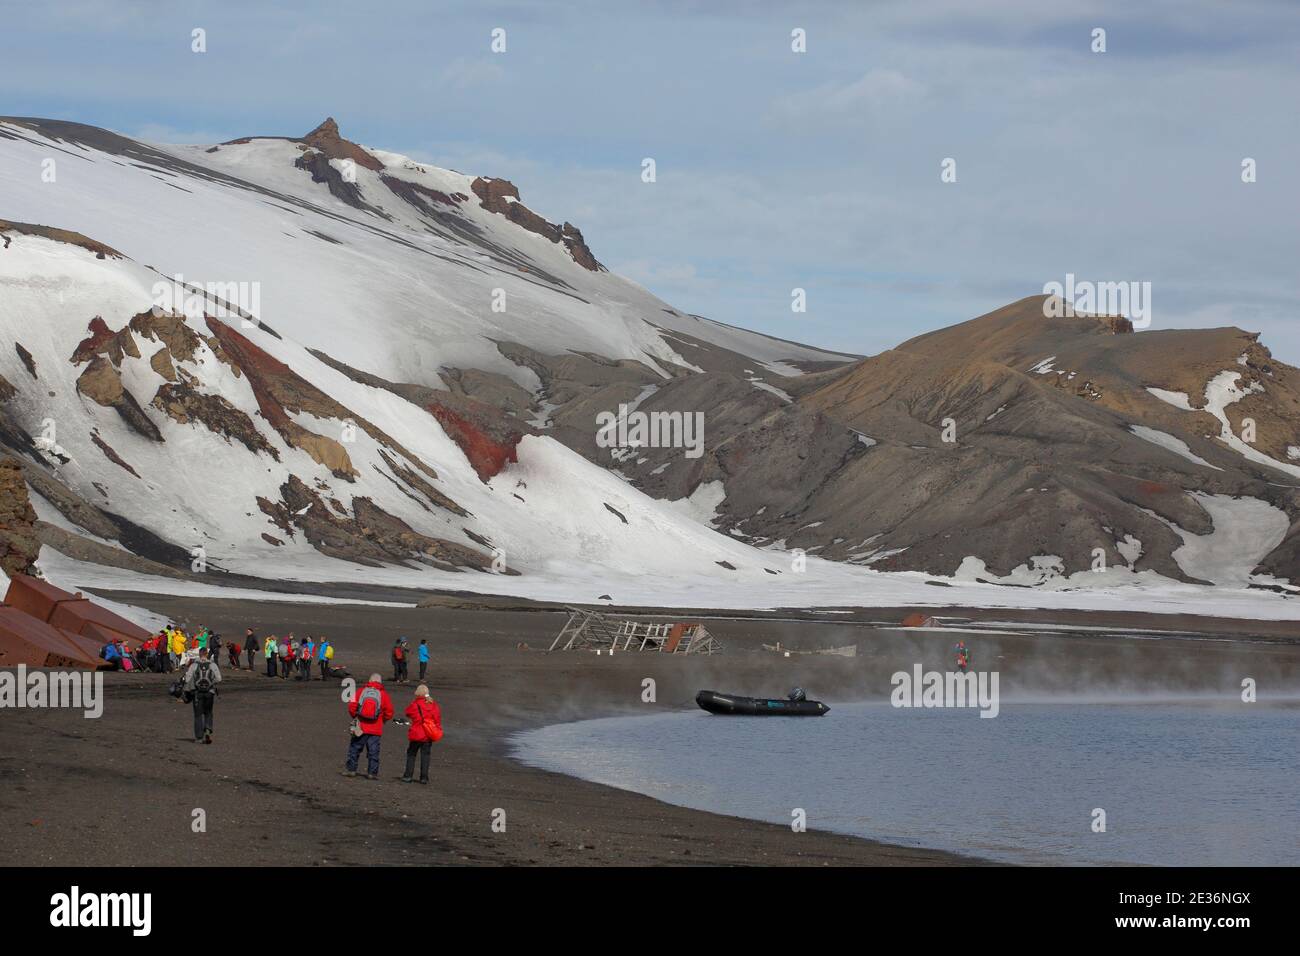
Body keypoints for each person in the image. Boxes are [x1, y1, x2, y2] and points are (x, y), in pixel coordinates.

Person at [344, 674, 394, 780]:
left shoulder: (360, 691)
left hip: (361, 726)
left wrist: (356, 717)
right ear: (380, 682)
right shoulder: (383, 694)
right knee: (373, 751)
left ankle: (351, 770)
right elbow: (389, 712)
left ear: (369, 680)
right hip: (376, 728)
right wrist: (382, 720)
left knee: (355, 748)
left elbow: (351, 707)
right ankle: (372, 773)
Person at [401, 684, 442, 785]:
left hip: (416, 733)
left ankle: (408, 776)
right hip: (428, 734)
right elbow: (437, 720)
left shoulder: (415, 704)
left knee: (411, 754)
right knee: (425, 756)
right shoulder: (434, 705)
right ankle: (424, 778)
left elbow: (407, 712)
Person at [183, 647, 222, 744]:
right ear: (207, 654)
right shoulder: (212, 665)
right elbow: (219, 678)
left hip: (197, 693)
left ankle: (199, 737)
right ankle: (208, 729)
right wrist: (211, 683)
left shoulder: (194, 665)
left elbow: (187, 679)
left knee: (198, 715)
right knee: (208, 712)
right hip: (210, 692)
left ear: (199, 654)